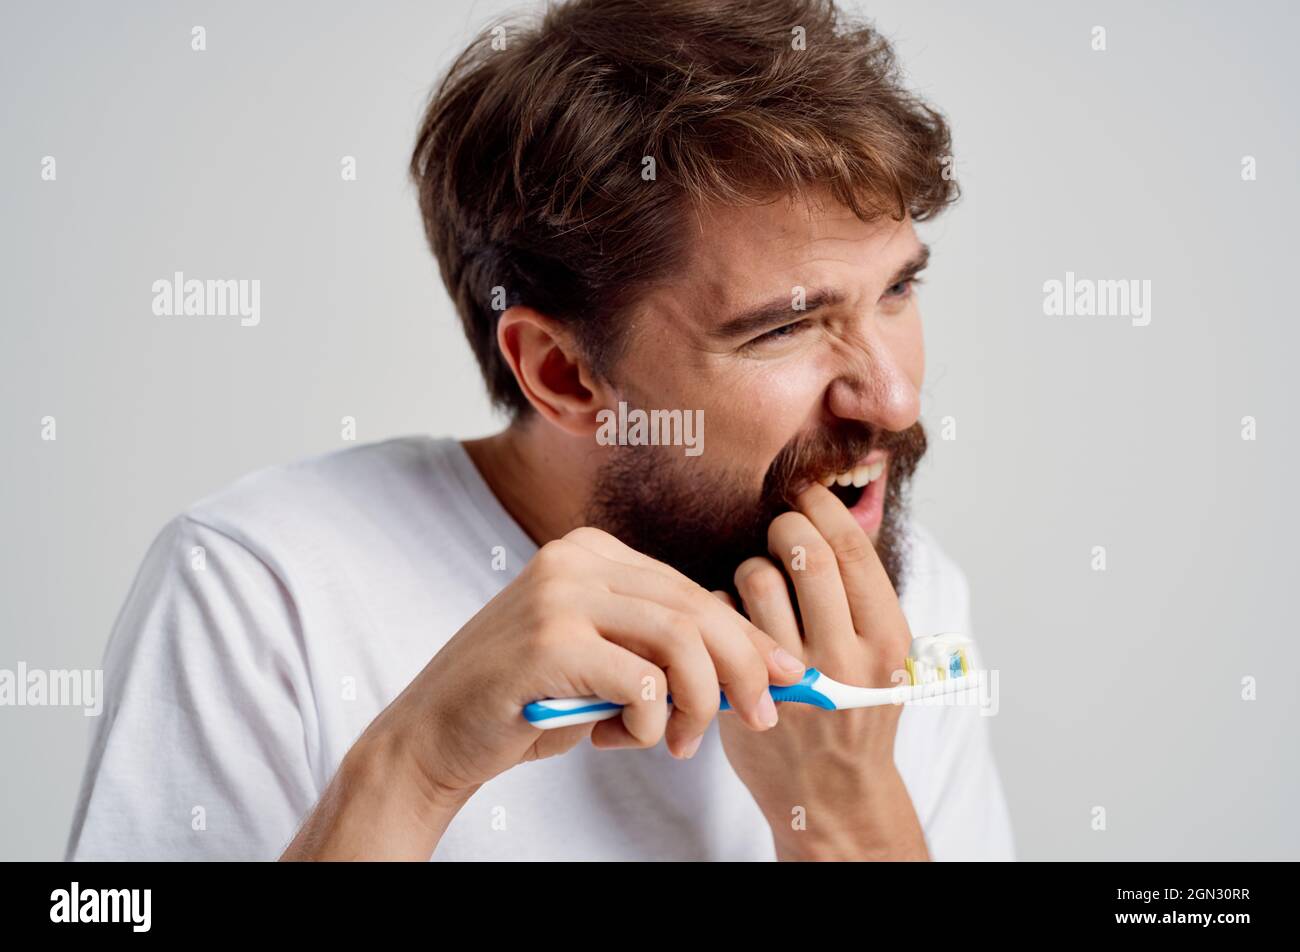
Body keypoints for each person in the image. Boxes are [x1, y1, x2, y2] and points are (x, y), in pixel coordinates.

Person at [66, 0, 1013, 861]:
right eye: (785, 327)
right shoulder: (259, 588)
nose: (891, 399)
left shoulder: (904, 600)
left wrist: (848, 813)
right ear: (561, 372)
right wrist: (413, 766)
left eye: (897, 289)